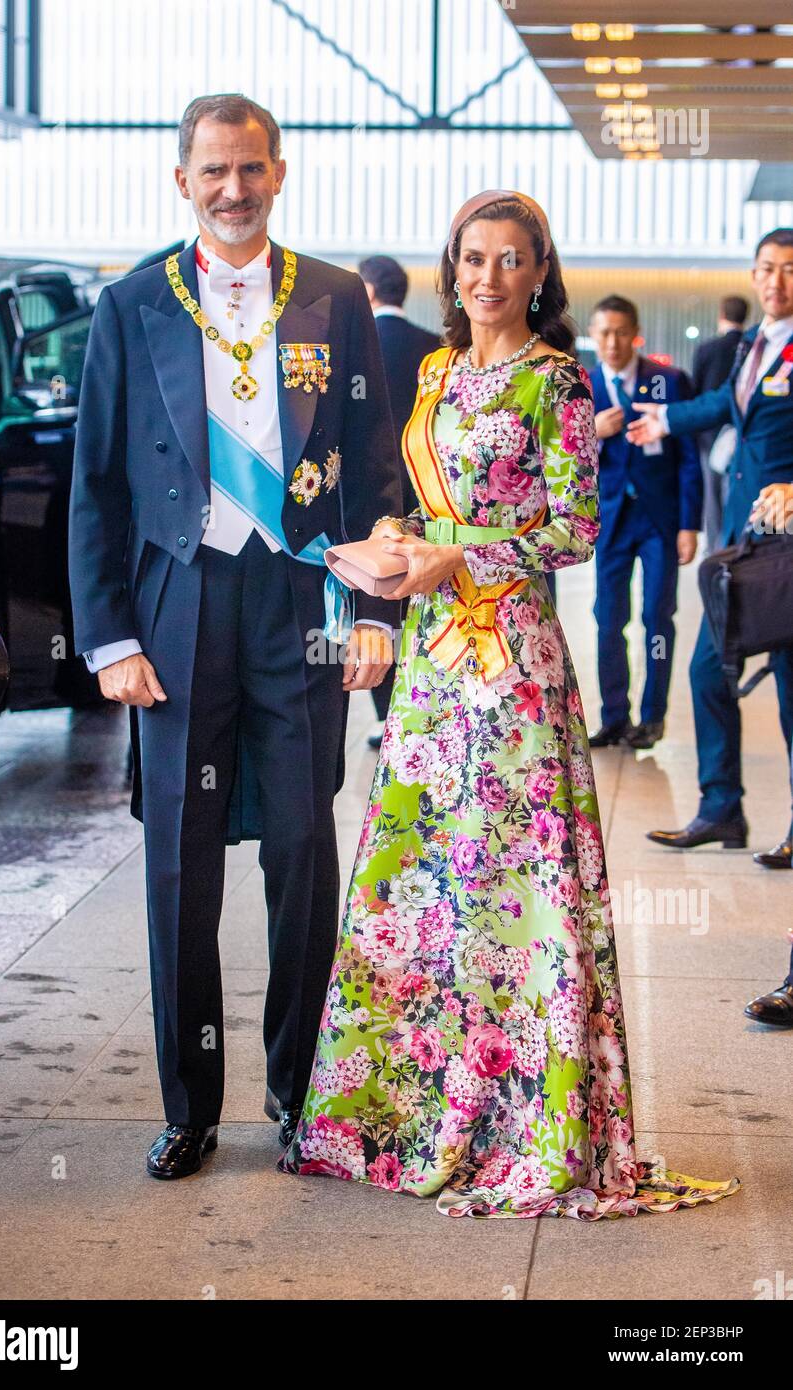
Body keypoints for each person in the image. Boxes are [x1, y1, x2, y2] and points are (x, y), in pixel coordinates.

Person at [277, 190, 740, 1219]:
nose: (486, 277)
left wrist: (463, 554)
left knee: (517, 890)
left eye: (508, 260)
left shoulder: (554, 381)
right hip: (437, 656)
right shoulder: (437, 373)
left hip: (513, 656)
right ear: (453, 267)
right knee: (423, 883)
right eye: (470, 258)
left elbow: (571, 528)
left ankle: (525, 1122)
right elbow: (416, 497)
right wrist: (397, 539)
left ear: (539, 273)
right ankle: (404, 1115)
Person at [68, 93, 404, 1180]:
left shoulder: (337, 298)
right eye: (212, 170)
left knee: (305, 852)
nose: (232, 188)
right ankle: (190, 1101)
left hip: (298, 602)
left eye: (250, 168)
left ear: (279, 171)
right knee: (179, 862)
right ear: (181, 180)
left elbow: (372, 462)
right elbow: (96, 487)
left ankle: (299, 1093)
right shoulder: (128, 305)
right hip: (177, 609)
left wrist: (375, 609)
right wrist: (109, 632)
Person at [630, 228, 793, 858]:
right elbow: (732, 402)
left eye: (788, 270)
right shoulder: (757, 342)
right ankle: (721, 807)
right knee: (706, 672)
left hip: (786, 550)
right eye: (766, 268)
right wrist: (667, 419)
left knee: (789, 687)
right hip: (743, 544)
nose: (775, 281)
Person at [587, 296, 701, 751]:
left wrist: (689, 524)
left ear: (635, 334)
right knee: (609, 618)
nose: (612, 342)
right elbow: (561, 458)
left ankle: (652, 717)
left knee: (658, 615)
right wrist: (593, 432)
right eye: (603, 333)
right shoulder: (586, 384)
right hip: (611, 520)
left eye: (620, 333)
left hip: (659, 519)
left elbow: (689, 457)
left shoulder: (668, 381)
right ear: (594, 337)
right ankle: (614, 716)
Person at [359, 254, 441, 748]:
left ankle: (386, 710)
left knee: (380, 592)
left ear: (368, 290)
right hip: (431, 494)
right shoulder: (437, 350)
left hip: (375, 495)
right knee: (429, 599)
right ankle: (427, 699)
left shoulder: (357, 345)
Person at [692, 296, 749, 553]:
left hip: (709, 435)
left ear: (721, 314)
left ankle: (715, 550)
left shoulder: (708, 348)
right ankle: (737, 545)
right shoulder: (750, 347)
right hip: (744, 434)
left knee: (712, 499)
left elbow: (697, 394)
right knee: (737, 493)